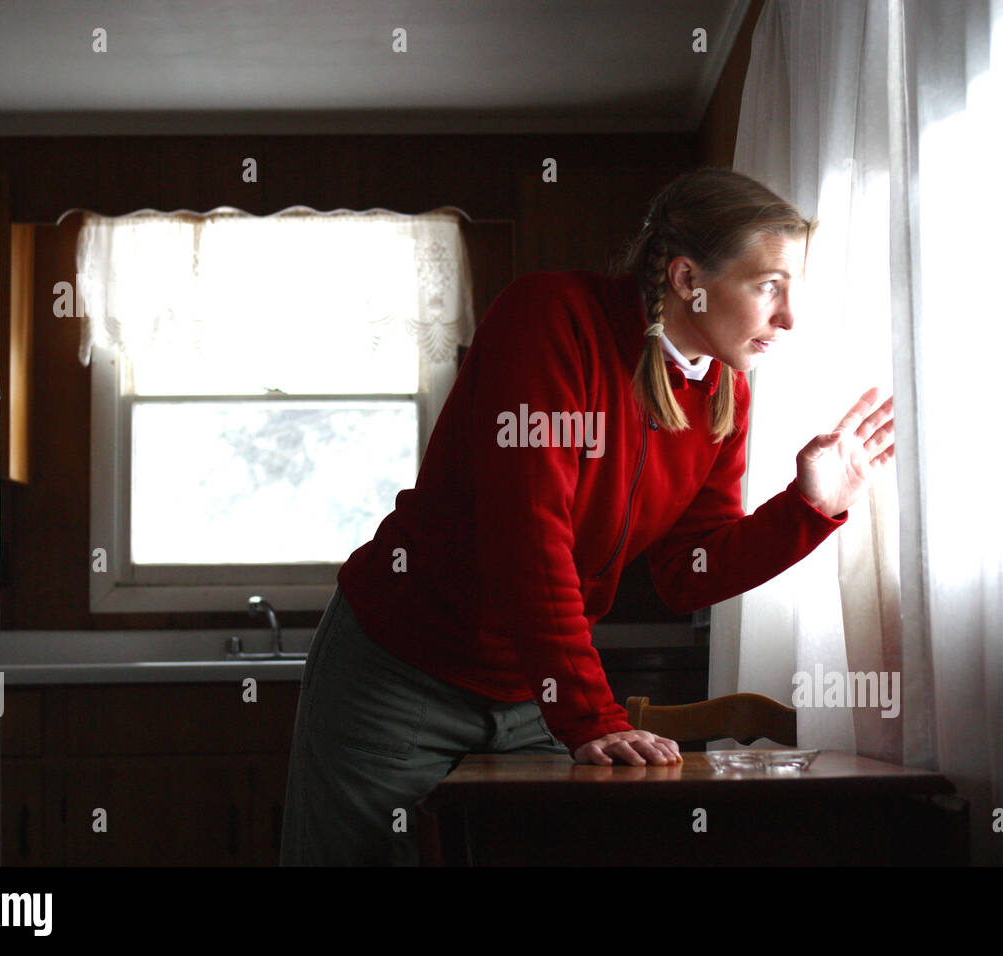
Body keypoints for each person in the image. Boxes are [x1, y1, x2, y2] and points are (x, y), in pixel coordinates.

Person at [279, 166, 895, 866]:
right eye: (768, 286)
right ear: (689, 278)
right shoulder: (549, 320)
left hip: (530, 691)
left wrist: (810, 508)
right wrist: (591, 715)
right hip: (402, 672)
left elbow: (686, 574)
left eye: (794, 292)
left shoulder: (724, 394)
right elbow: (528, 538)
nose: (789, 317)